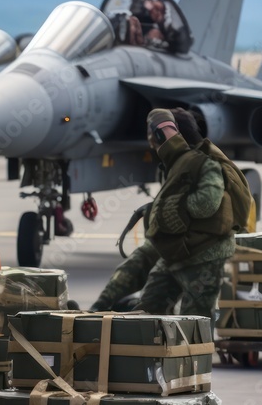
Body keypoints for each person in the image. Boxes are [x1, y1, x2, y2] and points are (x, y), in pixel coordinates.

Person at [129, 108, 238, 326]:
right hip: (176, 252)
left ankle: (197, 360)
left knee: (194, 323)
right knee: (146, 313)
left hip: (205, 255)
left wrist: (173, 207)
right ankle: (151, 357)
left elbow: (207, 204)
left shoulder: (206, 163)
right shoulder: (177, 162)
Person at [89, 110, 205, 311]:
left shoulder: (203, 167)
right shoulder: (176, 164)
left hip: (204, 250)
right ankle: (94, 313)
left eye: (156, 136)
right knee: (135, 267)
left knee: (188, 311)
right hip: (176, 244)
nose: (151, 143)